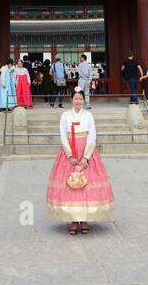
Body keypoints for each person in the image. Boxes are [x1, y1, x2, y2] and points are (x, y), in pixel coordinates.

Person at [47, 90, 114, 235]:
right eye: (76, 99)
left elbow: (92, 135)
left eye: (81, 99)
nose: (78, 101)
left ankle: (84, 219)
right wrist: (69, 155)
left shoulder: (88, 116)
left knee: (86, 185)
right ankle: (73, 220)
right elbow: (63, 135)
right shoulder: (65, 116)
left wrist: (86, 158)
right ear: (71, 99)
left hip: (85, 150)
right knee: (70, 186)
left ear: (84, 100)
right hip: (70, 151)